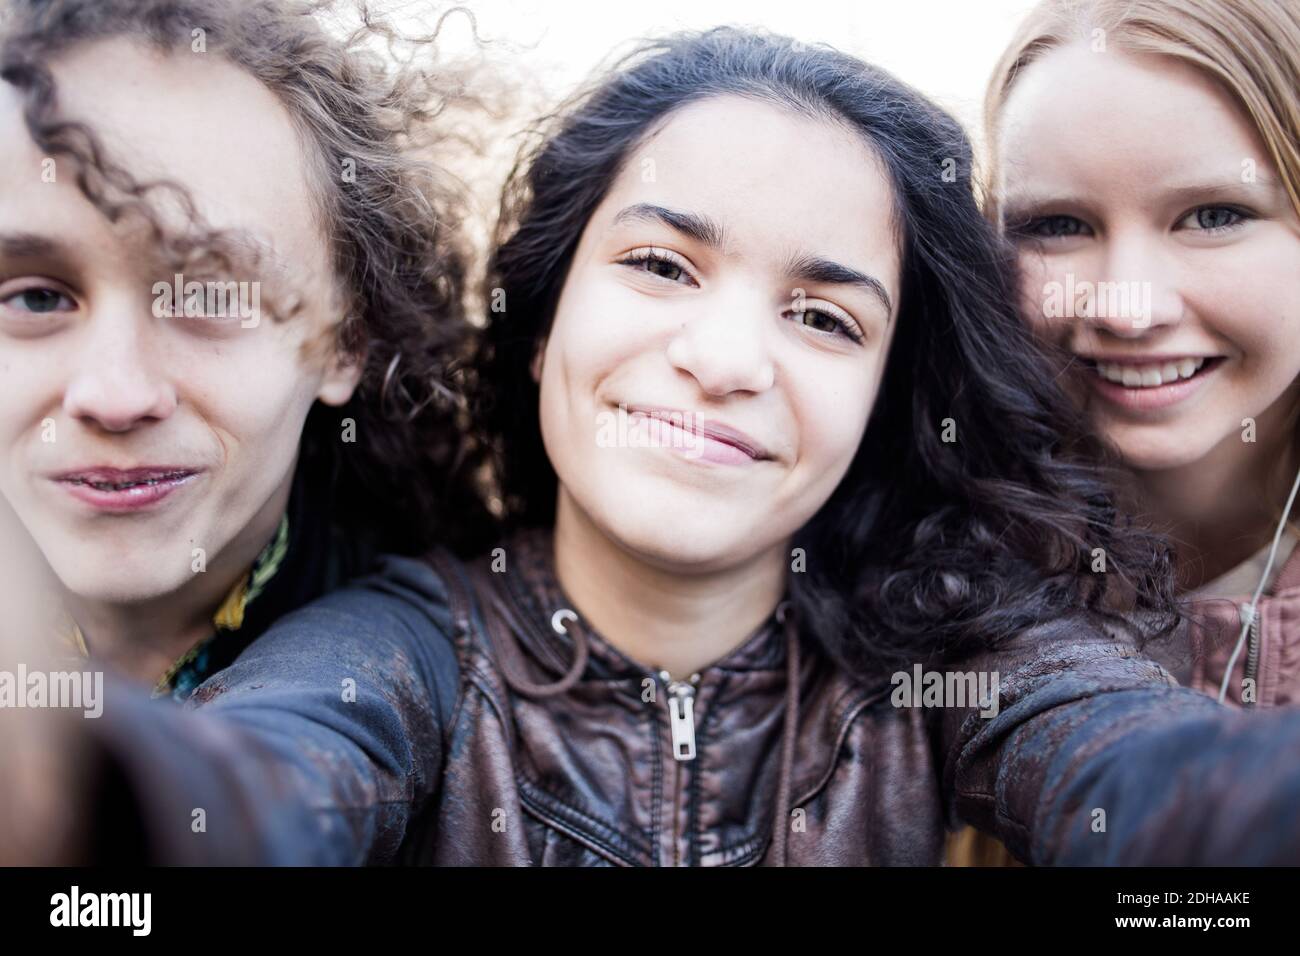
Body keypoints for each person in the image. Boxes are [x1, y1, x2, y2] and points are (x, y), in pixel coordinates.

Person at [8, 26, 1300, 867]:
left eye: (821, 315)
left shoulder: (967, 659)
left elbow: (1158, 785)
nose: (728, 357)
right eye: (660, 264)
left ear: (882, 395)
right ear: (541, 320)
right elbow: (258, 783)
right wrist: (74, 786)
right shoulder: (399, 646)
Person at [0, 0, 493, 699]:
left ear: (346, 340)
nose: (114, 395)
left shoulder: (482, 697)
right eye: (36, 298)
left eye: (209, 296)